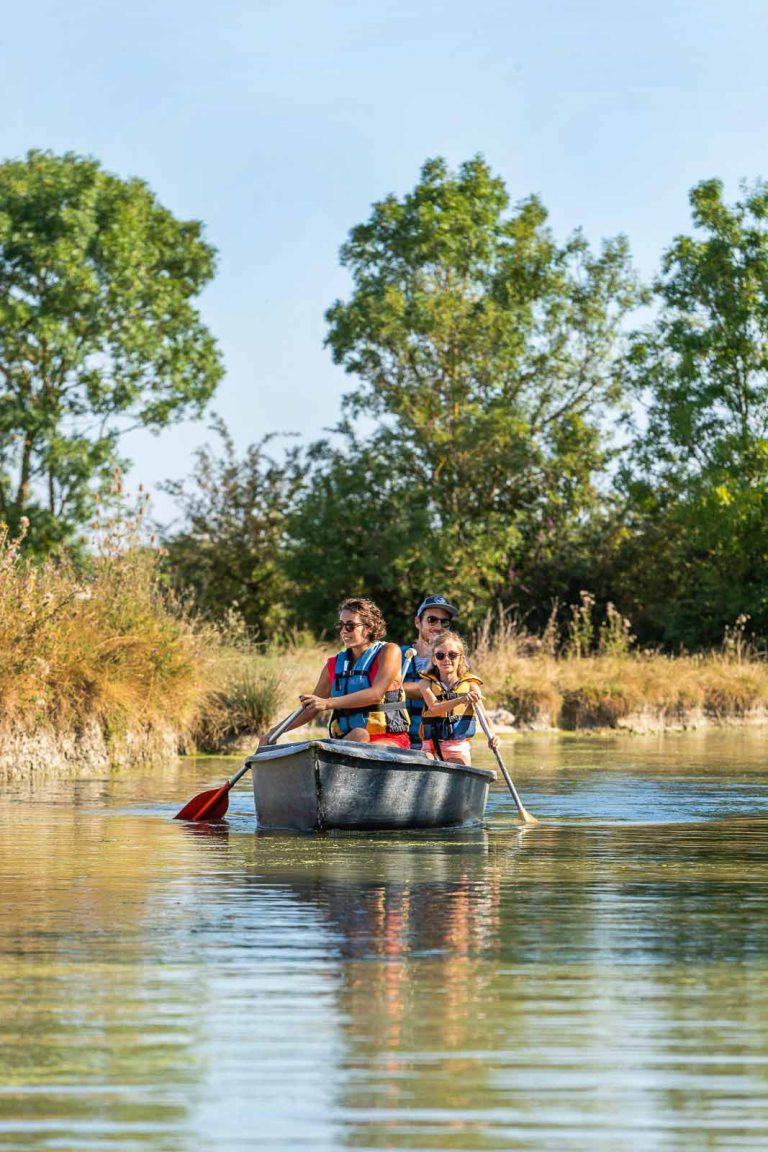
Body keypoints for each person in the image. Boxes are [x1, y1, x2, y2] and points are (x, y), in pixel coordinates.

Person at [260, 597, 411, 749]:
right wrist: (273, 733)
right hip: (349, 740)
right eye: (341, 625)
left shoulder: (389, 651)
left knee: (360, 734)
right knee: (359, 735)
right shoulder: (333, 665)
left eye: (350, 626)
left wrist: (327, 703)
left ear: (369, 627)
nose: (344, 631)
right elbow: (310, 711)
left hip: (389, 740)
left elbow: (376, 694)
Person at [417, 631, 499, 765]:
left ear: (461, 658)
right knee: (425, 763)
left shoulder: (471, 685)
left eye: (452, 655)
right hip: (430, 747)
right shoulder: (425, 684)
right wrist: (462, 699)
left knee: (458, 764)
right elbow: (435, 708)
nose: (446, 660)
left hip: (457, 748)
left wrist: (493, 736)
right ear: (434, 660)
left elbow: (484, 717)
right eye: (440, 655)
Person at [400, 595, 459, 749]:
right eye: (432, 620)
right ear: (417, 622)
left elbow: (450, 690)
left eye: (444, 622)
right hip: (401, 741)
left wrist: (399, 687)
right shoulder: (398, 656)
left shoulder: (457, 659)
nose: (439, 626)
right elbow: (382, 690)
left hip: (440, 744)